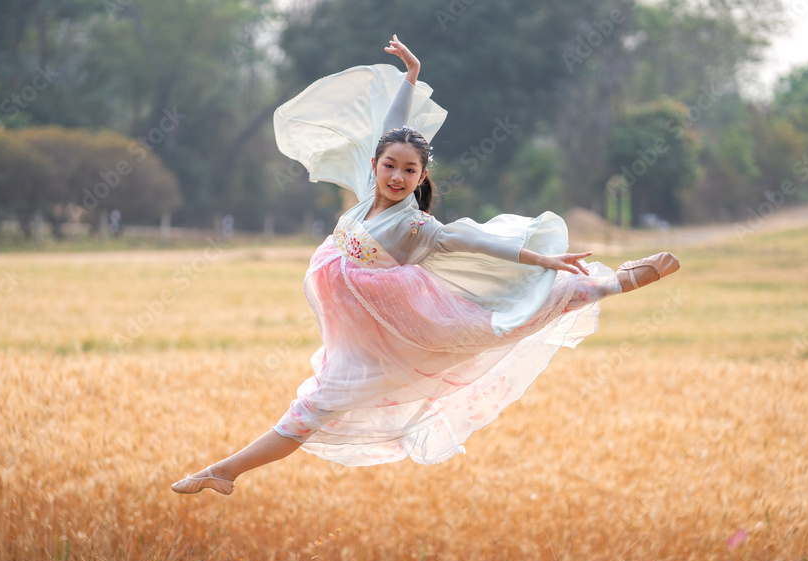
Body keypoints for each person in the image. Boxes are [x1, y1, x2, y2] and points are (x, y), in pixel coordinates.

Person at [171, 35, 679, 496]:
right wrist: (410, 78)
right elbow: (389, 127)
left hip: (390, 322)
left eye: (408, 170)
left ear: (421, 177)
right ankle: (227, 472)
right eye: (389, 165)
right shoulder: (368, 189)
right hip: (353, 323)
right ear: (375, 165)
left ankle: (615, 281)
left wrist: (540, 257)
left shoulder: (416, 227)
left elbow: (475, 241)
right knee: (314, 405)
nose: (396, 175)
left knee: (510, 314)